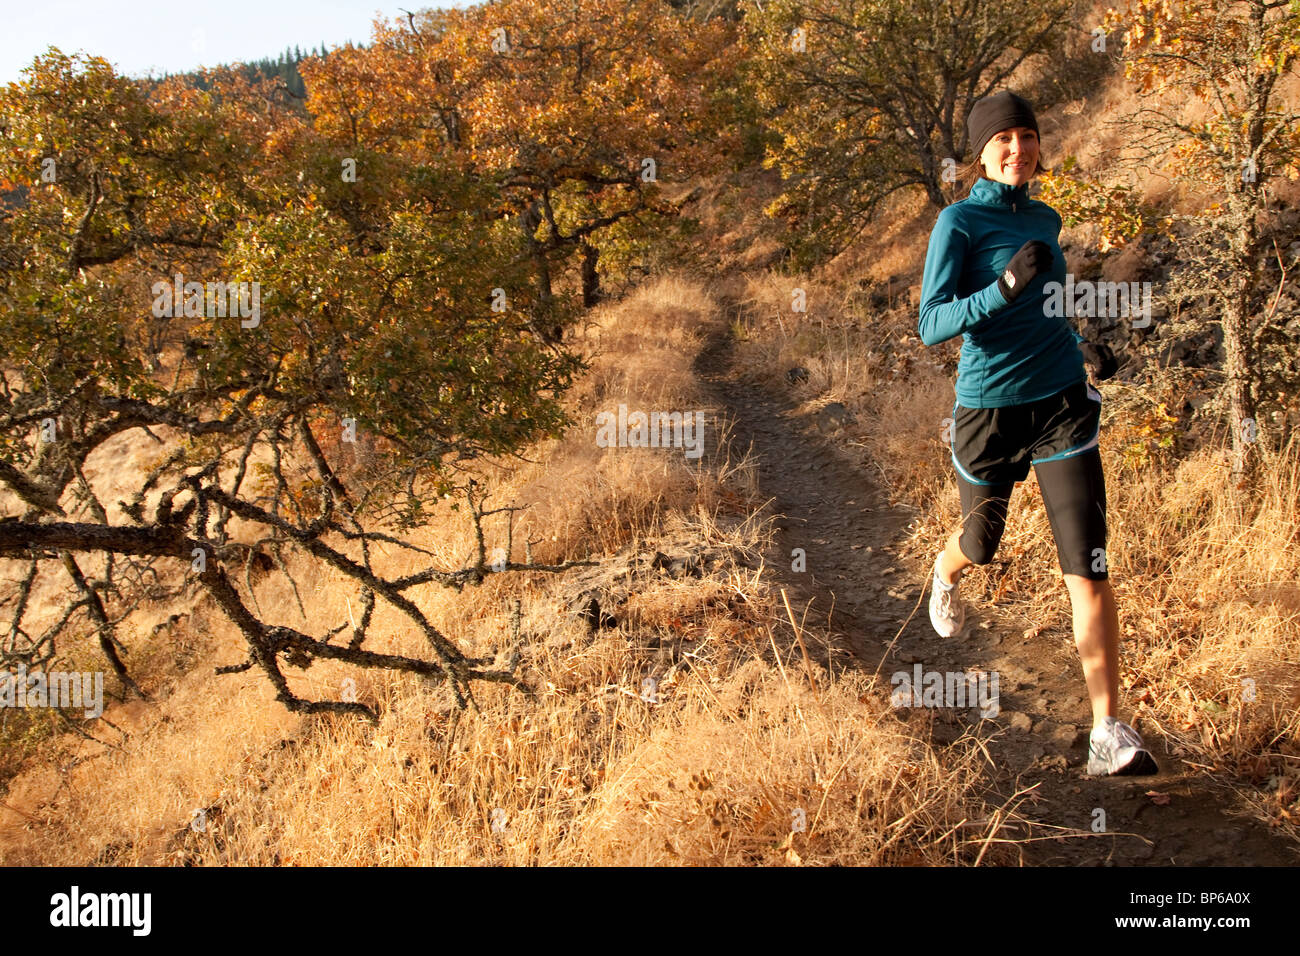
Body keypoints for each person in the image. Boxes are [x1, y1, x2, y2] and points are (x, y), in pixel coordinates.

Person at [916, 90, 1157, 777]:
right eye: (1003, 140)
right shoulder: (957, 224)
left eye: (1027, 136)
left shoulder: (1046, 218)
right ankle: (944, 570)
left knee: (1089, 567)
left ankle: (1107, 730)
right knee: (980, 545)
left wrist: (1083, 340)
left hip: (1060, 405)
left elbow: (1048, 296)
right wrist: (1000, 290)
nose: (1017, 149)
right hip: (990, 410)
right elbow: (932, 323)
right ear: (981, 153)